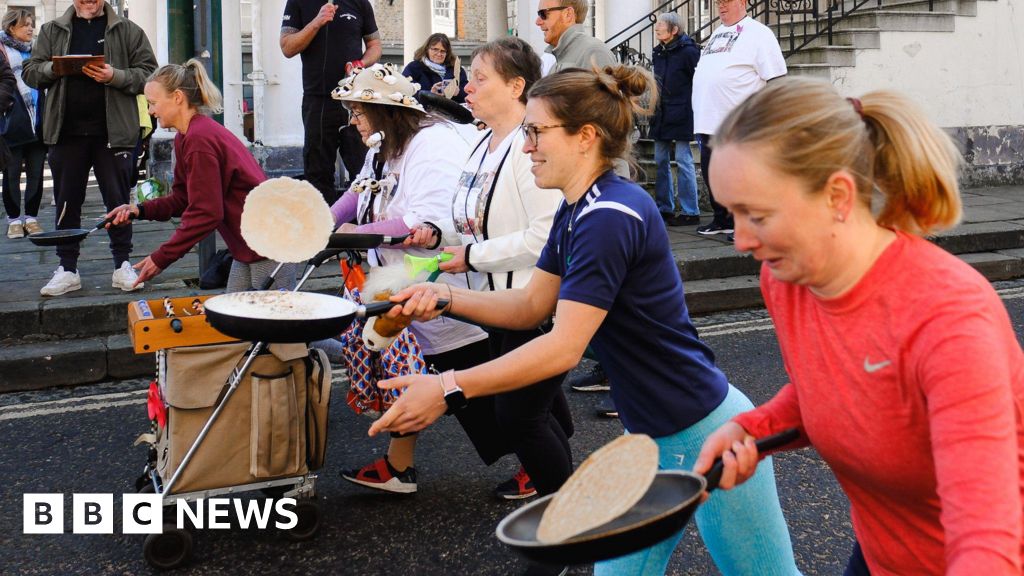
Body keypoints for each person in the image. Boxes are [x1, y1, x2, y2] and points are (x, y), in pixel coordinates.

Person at [370, 65, 801, 576]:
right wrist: (443, 296)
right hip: (653, 437)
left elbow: (562, 349)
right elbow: (532, 306)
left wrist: (447, 386)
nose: (525, 145)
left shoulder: (609, 216)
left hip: (703, 429)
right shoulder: (577, 209)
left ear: (585, 137)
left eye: (536, 131)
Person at [693, 77, 1024, 575]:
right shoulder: (785, 278)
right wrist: (751, 427)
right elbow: (833, 389)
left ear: (838, 196)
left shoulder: (949, 318)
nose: (739, 240)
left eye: (756, 215)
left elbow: (987, 534)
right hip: (879, 552)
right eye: (730, 213)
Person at [404, 37, 573, 501]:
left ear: (517, 86)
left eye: (480, 78)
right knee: (529, 414)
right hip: (494, 304)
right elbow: (472, 219)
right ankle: (569, 500)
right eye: (470, 77)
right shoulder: (482, 142)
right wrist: (437, 234)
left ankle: (569, 523)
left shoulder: (528, 146)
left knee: (518, 418)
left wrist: (472, 257)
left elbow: (545, 237)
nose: (467, 87)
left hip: (530, 302)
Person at [329, 63, 493, 495]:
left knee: (481, 399)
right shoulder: (383, 146)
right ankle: (399, 467)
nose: (354, 121)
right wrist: (322, 224)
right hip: (400, 289)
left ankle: (542, 467)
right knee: (410, 378)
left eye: (359, 112)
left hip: (444, 293)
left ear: (384, 111)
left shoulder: (433, 145)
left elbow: (423, 221)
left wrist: (339, 236)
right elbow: (357, 193)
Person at [104, 61, 297, 292]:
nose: (150, 111)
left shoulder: (199, 139)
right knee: (236, 321)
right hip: (248, 246)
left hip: (268, 245)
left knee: (274, 323)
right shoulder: (186, 136)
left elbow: (206, 212)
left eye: (153, 103)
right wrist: (139, 210)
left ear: (177, 97)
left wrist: (161, 258)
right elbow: (184, 198)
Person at [23, 0, 157, 296]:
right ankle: (67, 268)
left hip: (114, 133)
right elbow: (30, 72)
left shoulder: (128, 30)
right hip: (65, 133)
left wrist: (115, 76)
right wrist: (55, 69)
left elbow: (150, 74)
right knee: (66, 202)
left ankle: (122, 264)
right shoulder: (51, 30)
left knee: (119, 202)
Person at [692, 0, 785, 237]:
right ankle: (721, 218)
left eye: (726, 1)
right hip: (708, 120)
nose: (721, 7)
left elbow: (776, 80)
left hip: (739, 122)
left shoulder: (759, 34)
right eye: (718, 3)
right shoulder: (717, 33)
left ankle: (746, 223)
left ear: (742, 2)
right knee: (712, 172)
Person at [280, 0, 380, 204]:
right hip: (317, 99)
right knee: (317, 173)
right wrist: (316, 22)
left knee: (364, 168)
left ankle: (362, 228)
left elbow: (375, 45)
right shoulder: (298, 2)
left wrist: (361, 63)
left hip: (354, 99)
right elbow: (287, 47)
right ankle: (323, 230)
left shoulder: (360, 3)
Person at [649, 12, 700, 227]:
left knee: (683, 160)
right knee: (660, 161)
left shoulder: (689, 52)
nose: (657, 28)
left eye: (661, 25)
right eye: (657, 24)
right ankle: (665, 208)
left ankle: (691, 211)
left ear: (674, 30)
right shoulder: (658, 52)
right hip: (661, 113)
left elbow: (698, 82)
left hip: (682, 112)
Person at [1, 8, 45, 240]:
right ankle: (14, 220)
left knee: (36, 173)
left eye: (31, 24)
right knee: (12, 174)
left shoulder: (37, 51)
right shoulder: (2, 51)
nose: (30, 28)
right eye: (24, 25)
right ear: (11, 28)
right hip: (12, 123)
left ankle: (32, 218)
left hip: (38, 121)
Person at [536, 0, 614, 75]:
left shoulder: (594, 52)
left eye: (543, 14)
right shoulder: (554, 65)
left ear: (568, 14)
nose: (537, 22)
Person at [402, 33, 468, 104]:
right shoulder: (414, 67)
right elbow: (404, 91)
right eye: (435, 49)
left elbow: (468, 95)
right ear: (427, 49)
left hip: (450, 114)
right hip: (422, 114)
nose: (439, 54)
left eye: (443, 51)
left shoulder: (457, 70)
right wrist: (430, 94)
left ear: (447, 53)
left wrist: (458, 92)